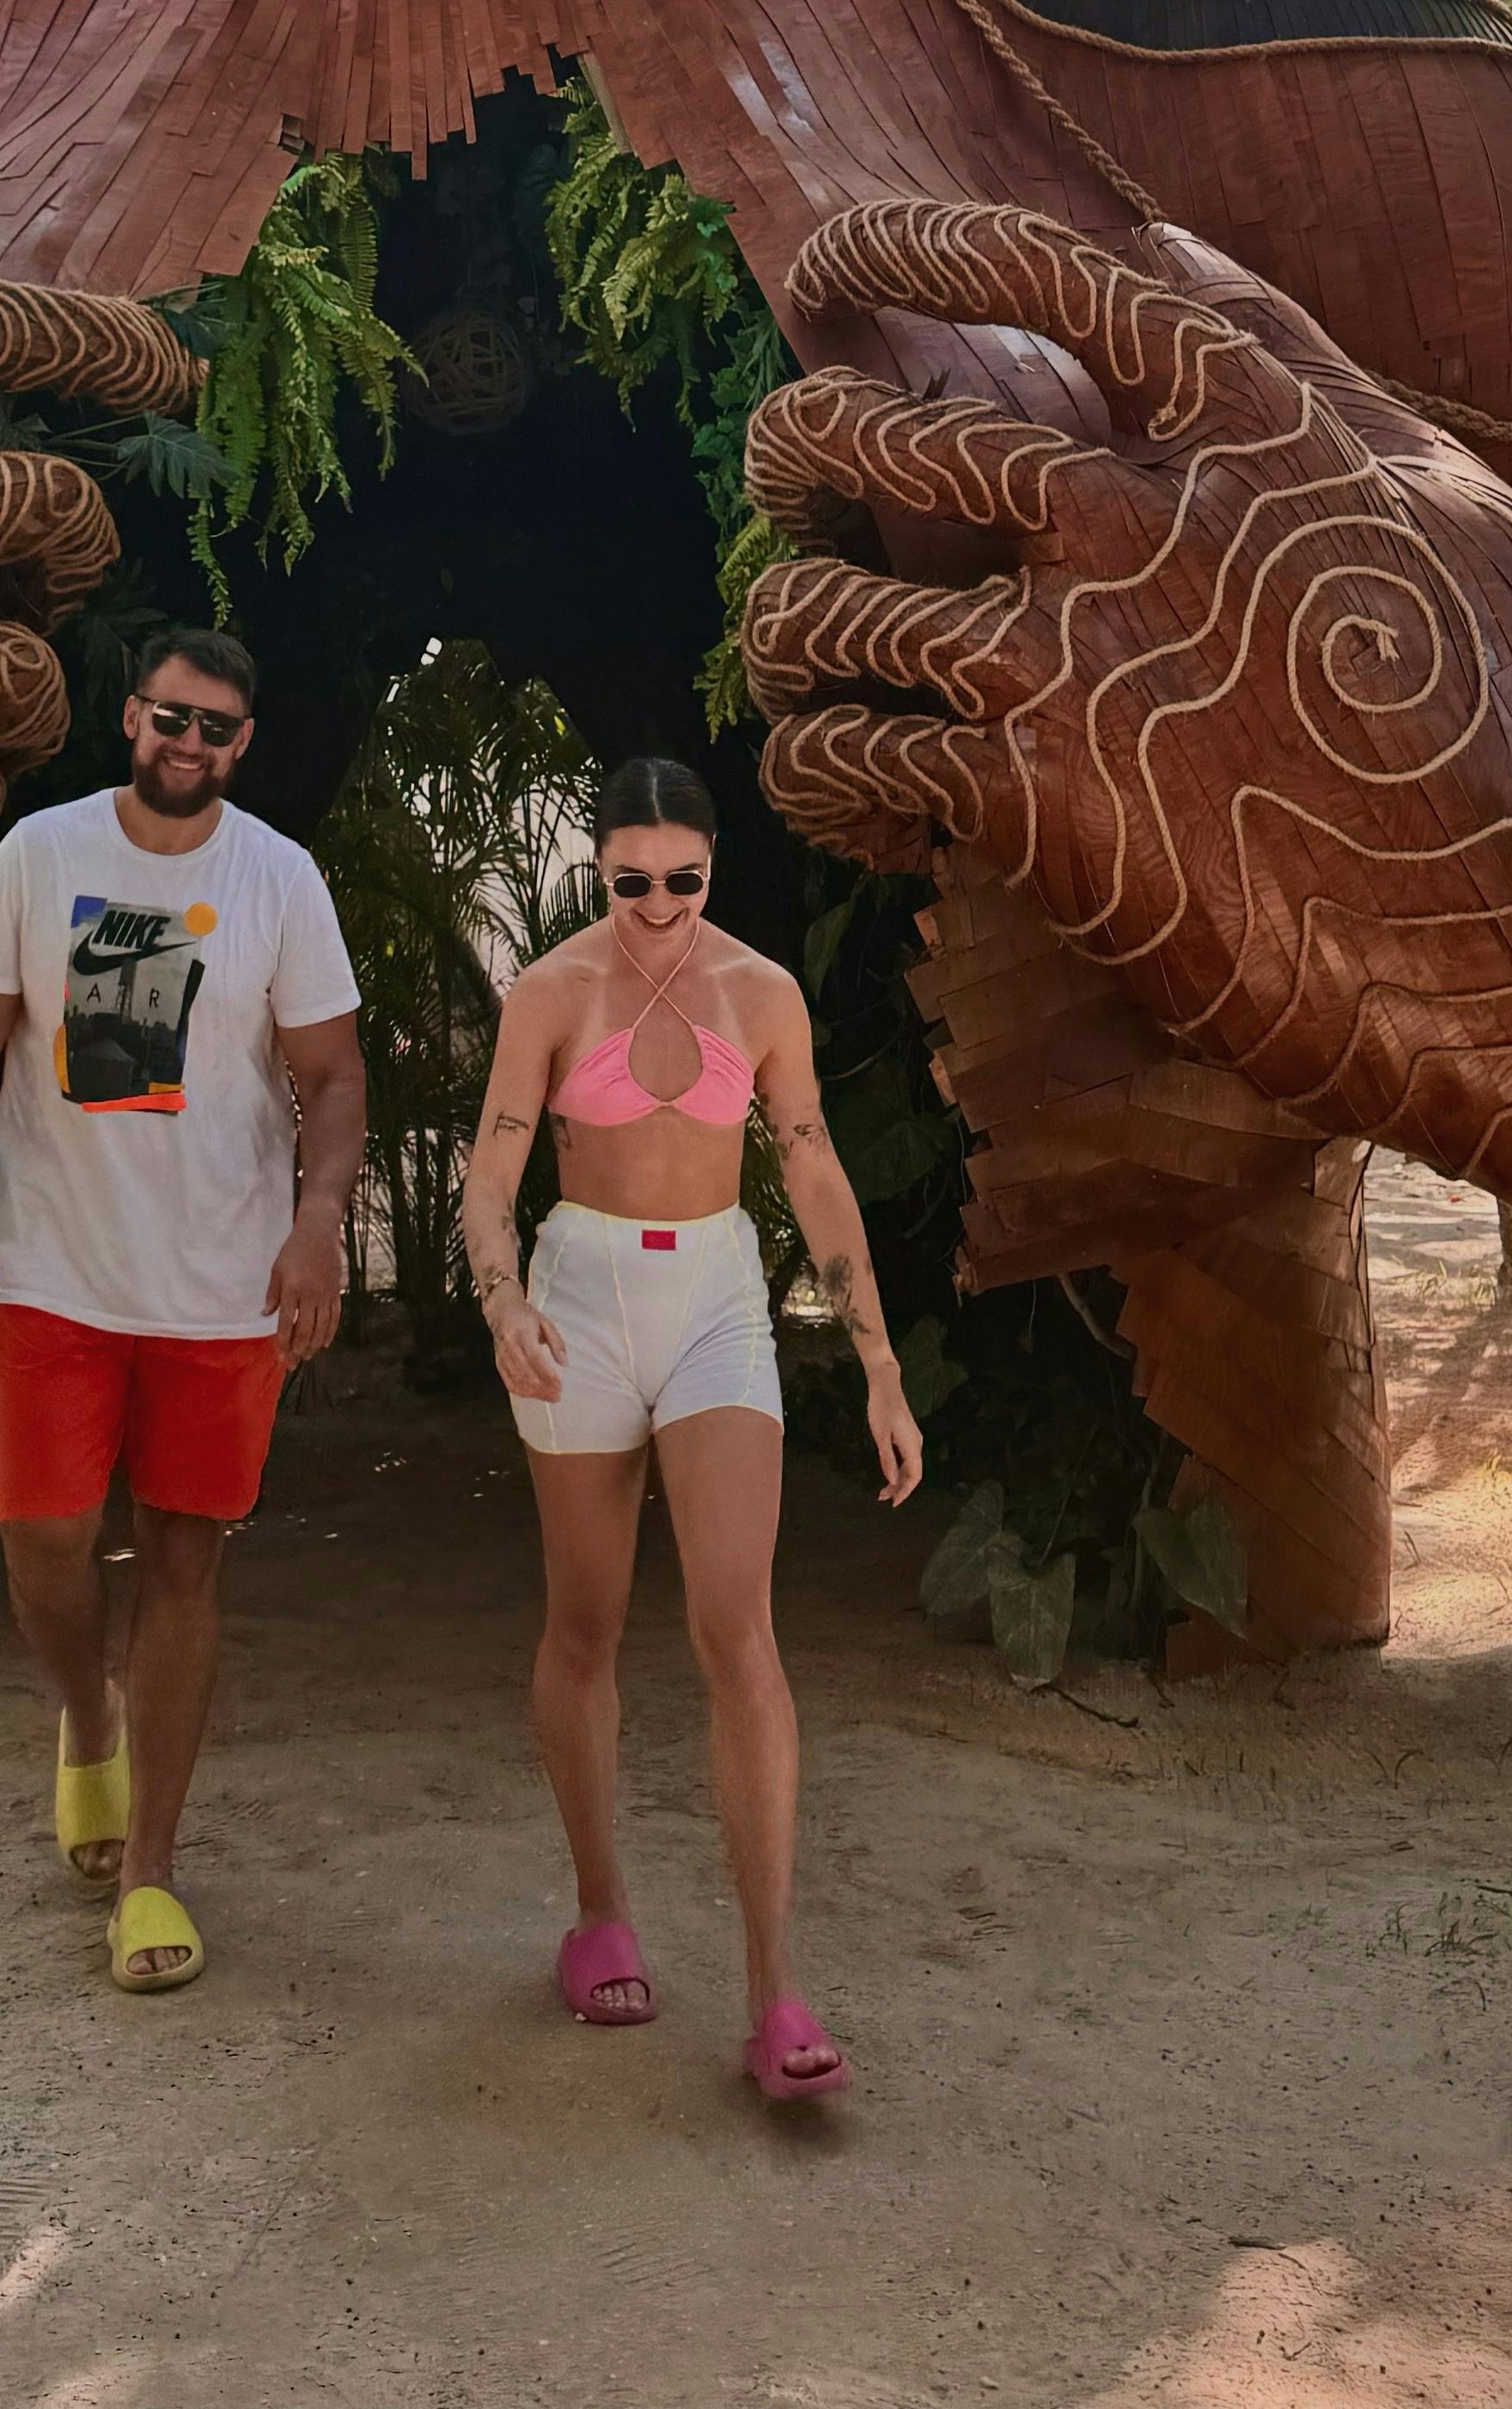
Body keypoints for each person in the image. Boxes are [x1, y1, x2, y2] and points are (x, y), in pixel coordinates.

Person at [0, 620, 364, 1993]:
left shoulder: (279, 880)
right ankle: (85, 1719)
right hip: (53, 1270)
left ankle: (152, 1871)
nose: (190, 744)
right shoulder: (41, 858)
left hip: (219, 1290)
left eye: (217, 728)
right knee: (43, 1542)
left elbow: (331, 1077)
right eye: (171, 718)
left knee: (183, 1562)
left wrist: (321, 1219)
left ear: (244, 745)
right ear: (130, 719)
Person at [460, 758, 920, 2102]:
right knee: (586, 1621)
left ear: (713, 867)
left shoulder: (758, 992)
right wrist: (500, 1304)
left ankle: (775, 1993)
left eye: (684, 879)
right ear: (600, 870)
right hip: (582, 1298)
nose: (657, 904)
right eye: (630, 881)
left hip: (714, 1292)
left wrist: (879, 1363)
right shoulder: (552, 992)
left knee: (740, 1630)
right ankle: (600, 1910)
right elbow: (491, 1176)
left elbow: (813, 1165)